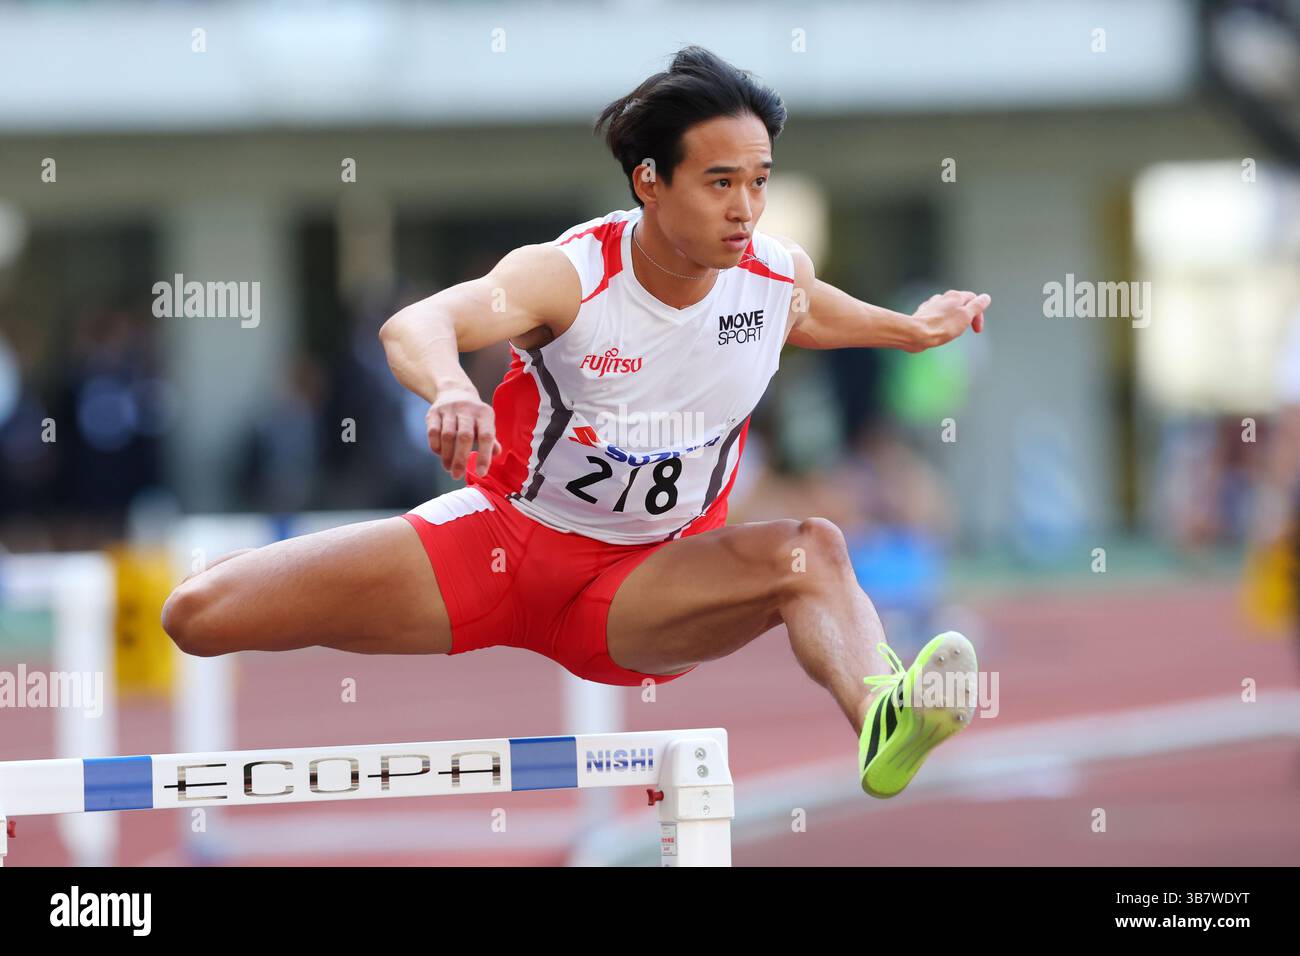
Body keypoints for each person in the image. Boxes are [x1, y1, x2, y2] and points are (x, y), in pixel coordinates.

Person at [162, 47, 990, 799]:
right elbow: (414, 327)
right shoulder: (566, 276)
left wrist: (912, 330)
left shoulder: (771, 277)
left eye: (760, 181)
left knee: (813, 551)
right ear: (649, 182)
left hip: (645, 588)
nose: (747, 208)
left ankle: (885, 713)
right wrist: (453, 391)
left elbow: (811, 311)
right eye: (720, 182)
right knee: (199, 615)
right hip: (500, 544)